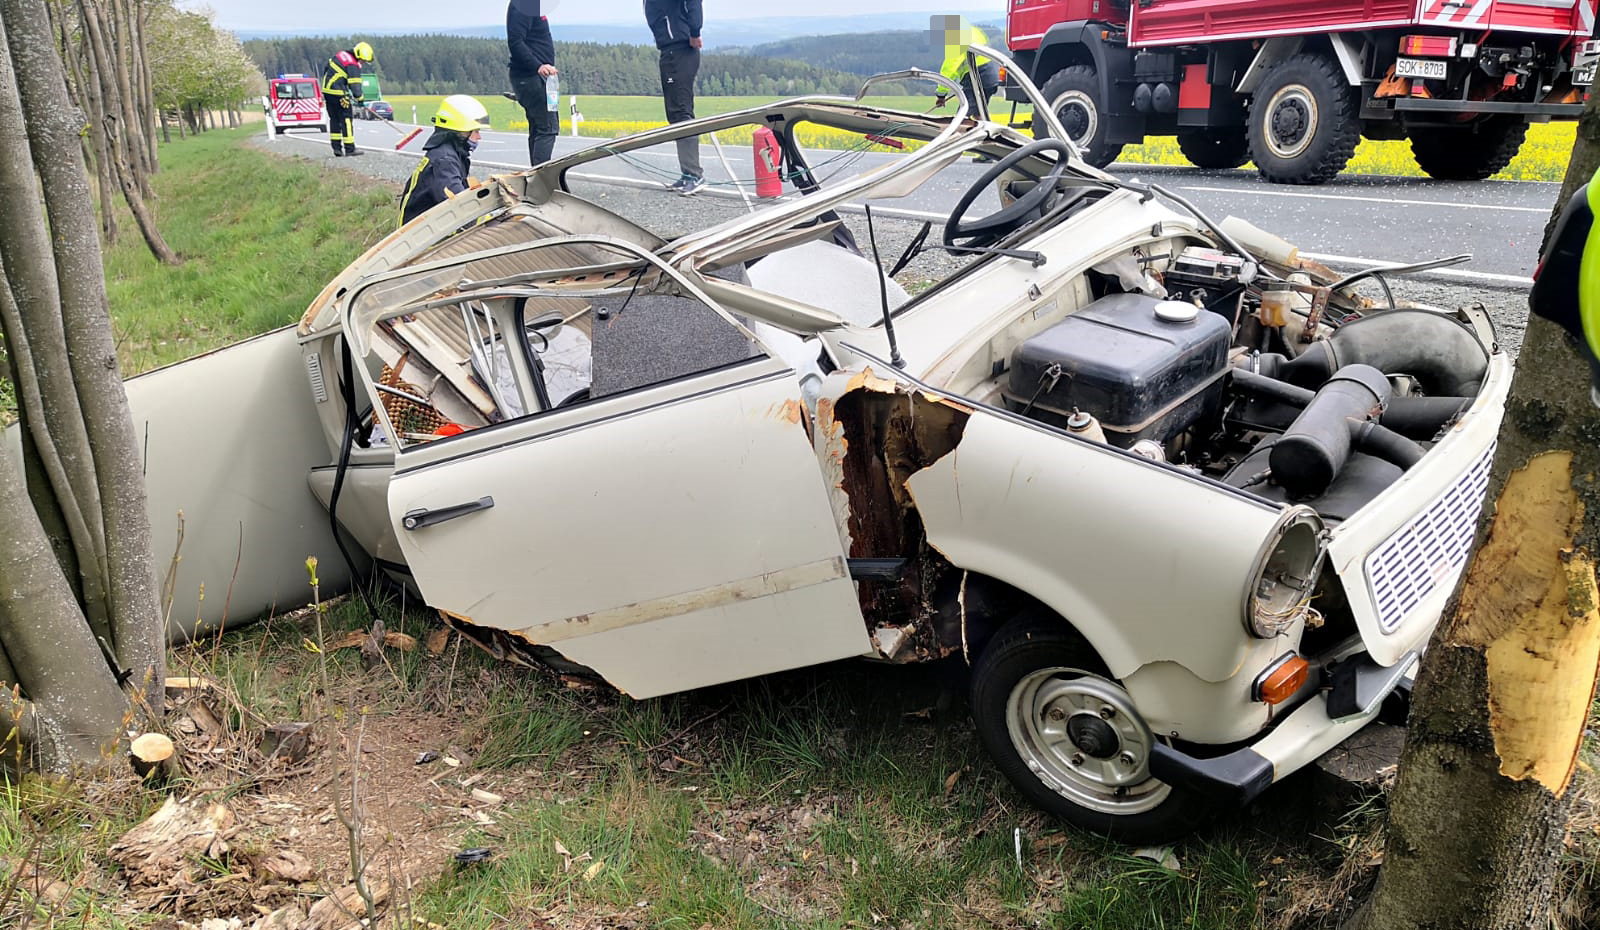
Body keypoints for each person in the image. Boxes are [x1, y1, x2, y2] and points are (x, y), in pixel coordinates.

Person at [397, 95, 491, 227]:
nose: (479, 137)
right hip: (424, 240)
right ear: (460, 132)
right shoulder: (444, 161)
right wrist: (491, 220)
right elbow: (460, 204)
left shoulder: (449, 153)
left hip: (428, 230)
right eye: (475, 131)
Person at [645, 0, 705, 195]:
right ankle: (687, 173)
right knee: (675, 114)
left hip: (681, 48)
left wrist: (695, 31)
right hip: (668, 50)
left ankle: (695, 175)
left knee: (682, 112)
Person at [507, 1, 559, 166]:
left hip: (535, 77)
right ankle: (540, 180)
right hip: (532, 77)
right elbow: (515, 41)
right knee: (547, 129)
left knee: (539, 128)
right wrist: (538, 66)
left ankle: (536, 177)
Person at [933, 16, 999, 112]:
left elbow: (949, 69)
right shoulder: (973, 31)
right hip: (990, 74)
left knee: (963, 116)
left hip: (976, 76)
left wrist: (941, 94)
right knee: (979, 113)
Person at [322, 41, 374, 157]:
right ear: (359, 56)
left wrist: (342, 87)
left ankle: (336, 148)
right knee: (346, 119)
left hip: (327, 92)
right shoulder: (352, 64)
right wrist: (360, 100)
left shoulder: (341, 55)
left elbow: (327, 69)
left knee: (334, 120)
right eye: (363, 61)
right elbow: (356, 87)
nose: (363, 63)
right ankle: (350, 149)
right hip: (339, 94)